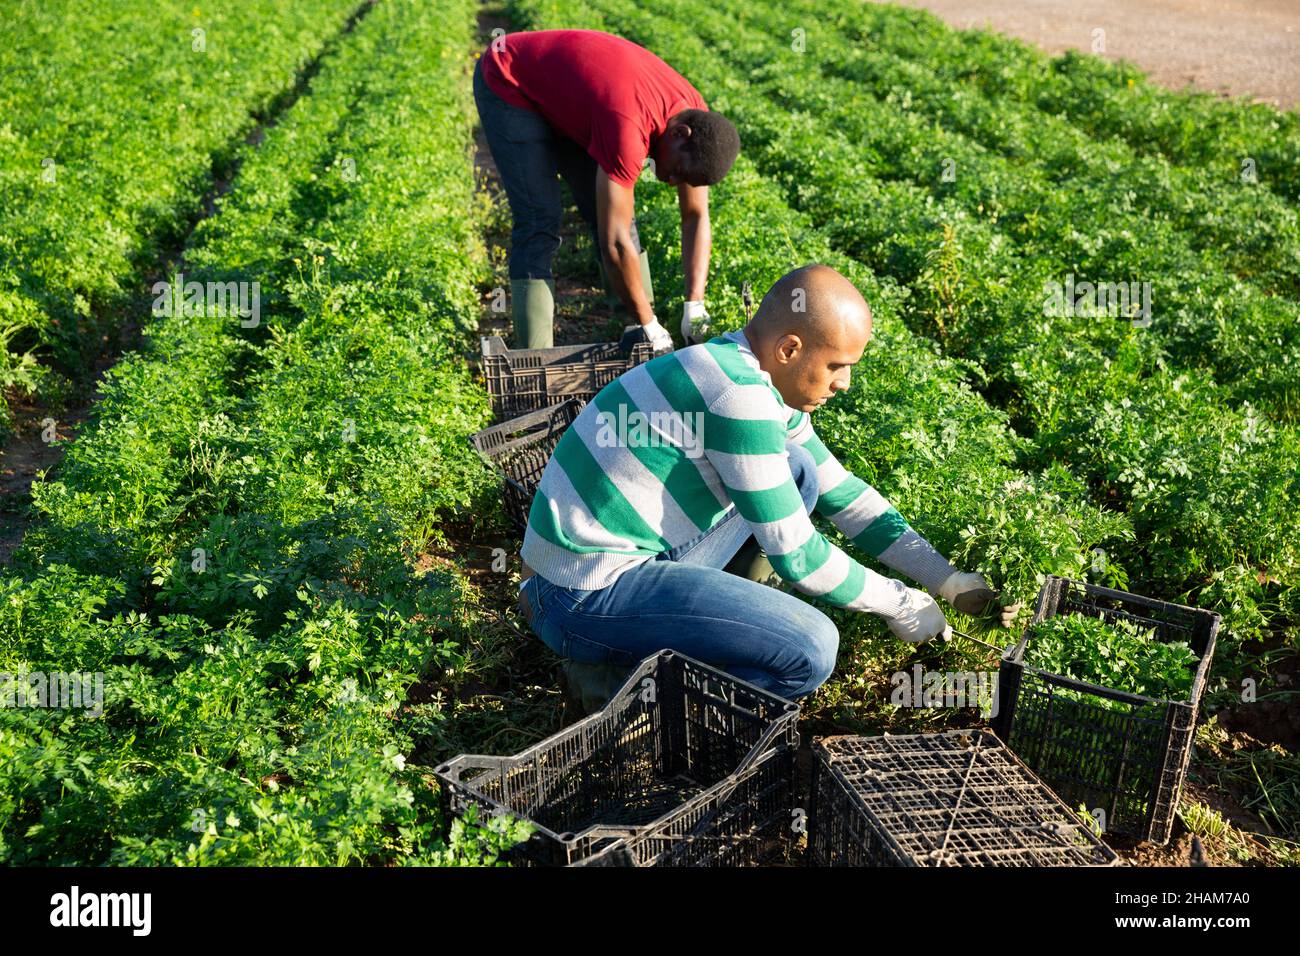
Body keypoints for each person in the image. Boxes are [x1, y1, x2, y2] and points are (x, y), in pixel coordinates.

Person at [515, 263, 1020, 708]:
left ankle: (697, 631)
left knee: (797, 470)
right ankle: (630, 697)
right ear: (790, 348)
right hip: (579, 593)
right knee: (810, 647)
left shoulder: (749, 373)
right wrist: (898, 603)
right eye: (837, 366)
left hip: (613, 565)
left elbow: (841, 492)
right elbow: (798, 555)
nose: (844, 384)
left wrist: (945, 579)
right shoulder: (738, 396)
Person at [473, 28, 740, 351]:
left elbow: (696, 216)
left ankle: (634, 329)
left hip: (573, 97)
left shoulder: (700, 125)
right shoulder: (628, 129)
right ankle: (535, 354)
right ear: (680, 134)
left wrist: (695, 307)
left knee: (610, 214)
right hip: (510, 77)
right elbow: (614, 242)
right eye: (678, 172)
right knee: (539, 220)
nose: (671, 181)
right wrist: (650, 325)